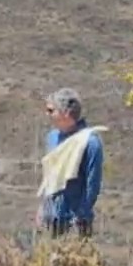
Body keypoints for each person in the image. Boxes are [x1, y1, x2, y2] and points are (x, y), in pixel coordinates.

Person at [39, 89, 106, 237]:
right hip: (52, 218)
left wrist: (80, 217)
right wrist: (43, 210)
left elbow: (92, 185)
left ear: (66, 113)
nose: (47, 115)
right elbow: (49, 178)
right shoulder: (52, 138)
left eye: (51, 111)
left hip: (75, 221)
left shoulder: (90, 142)